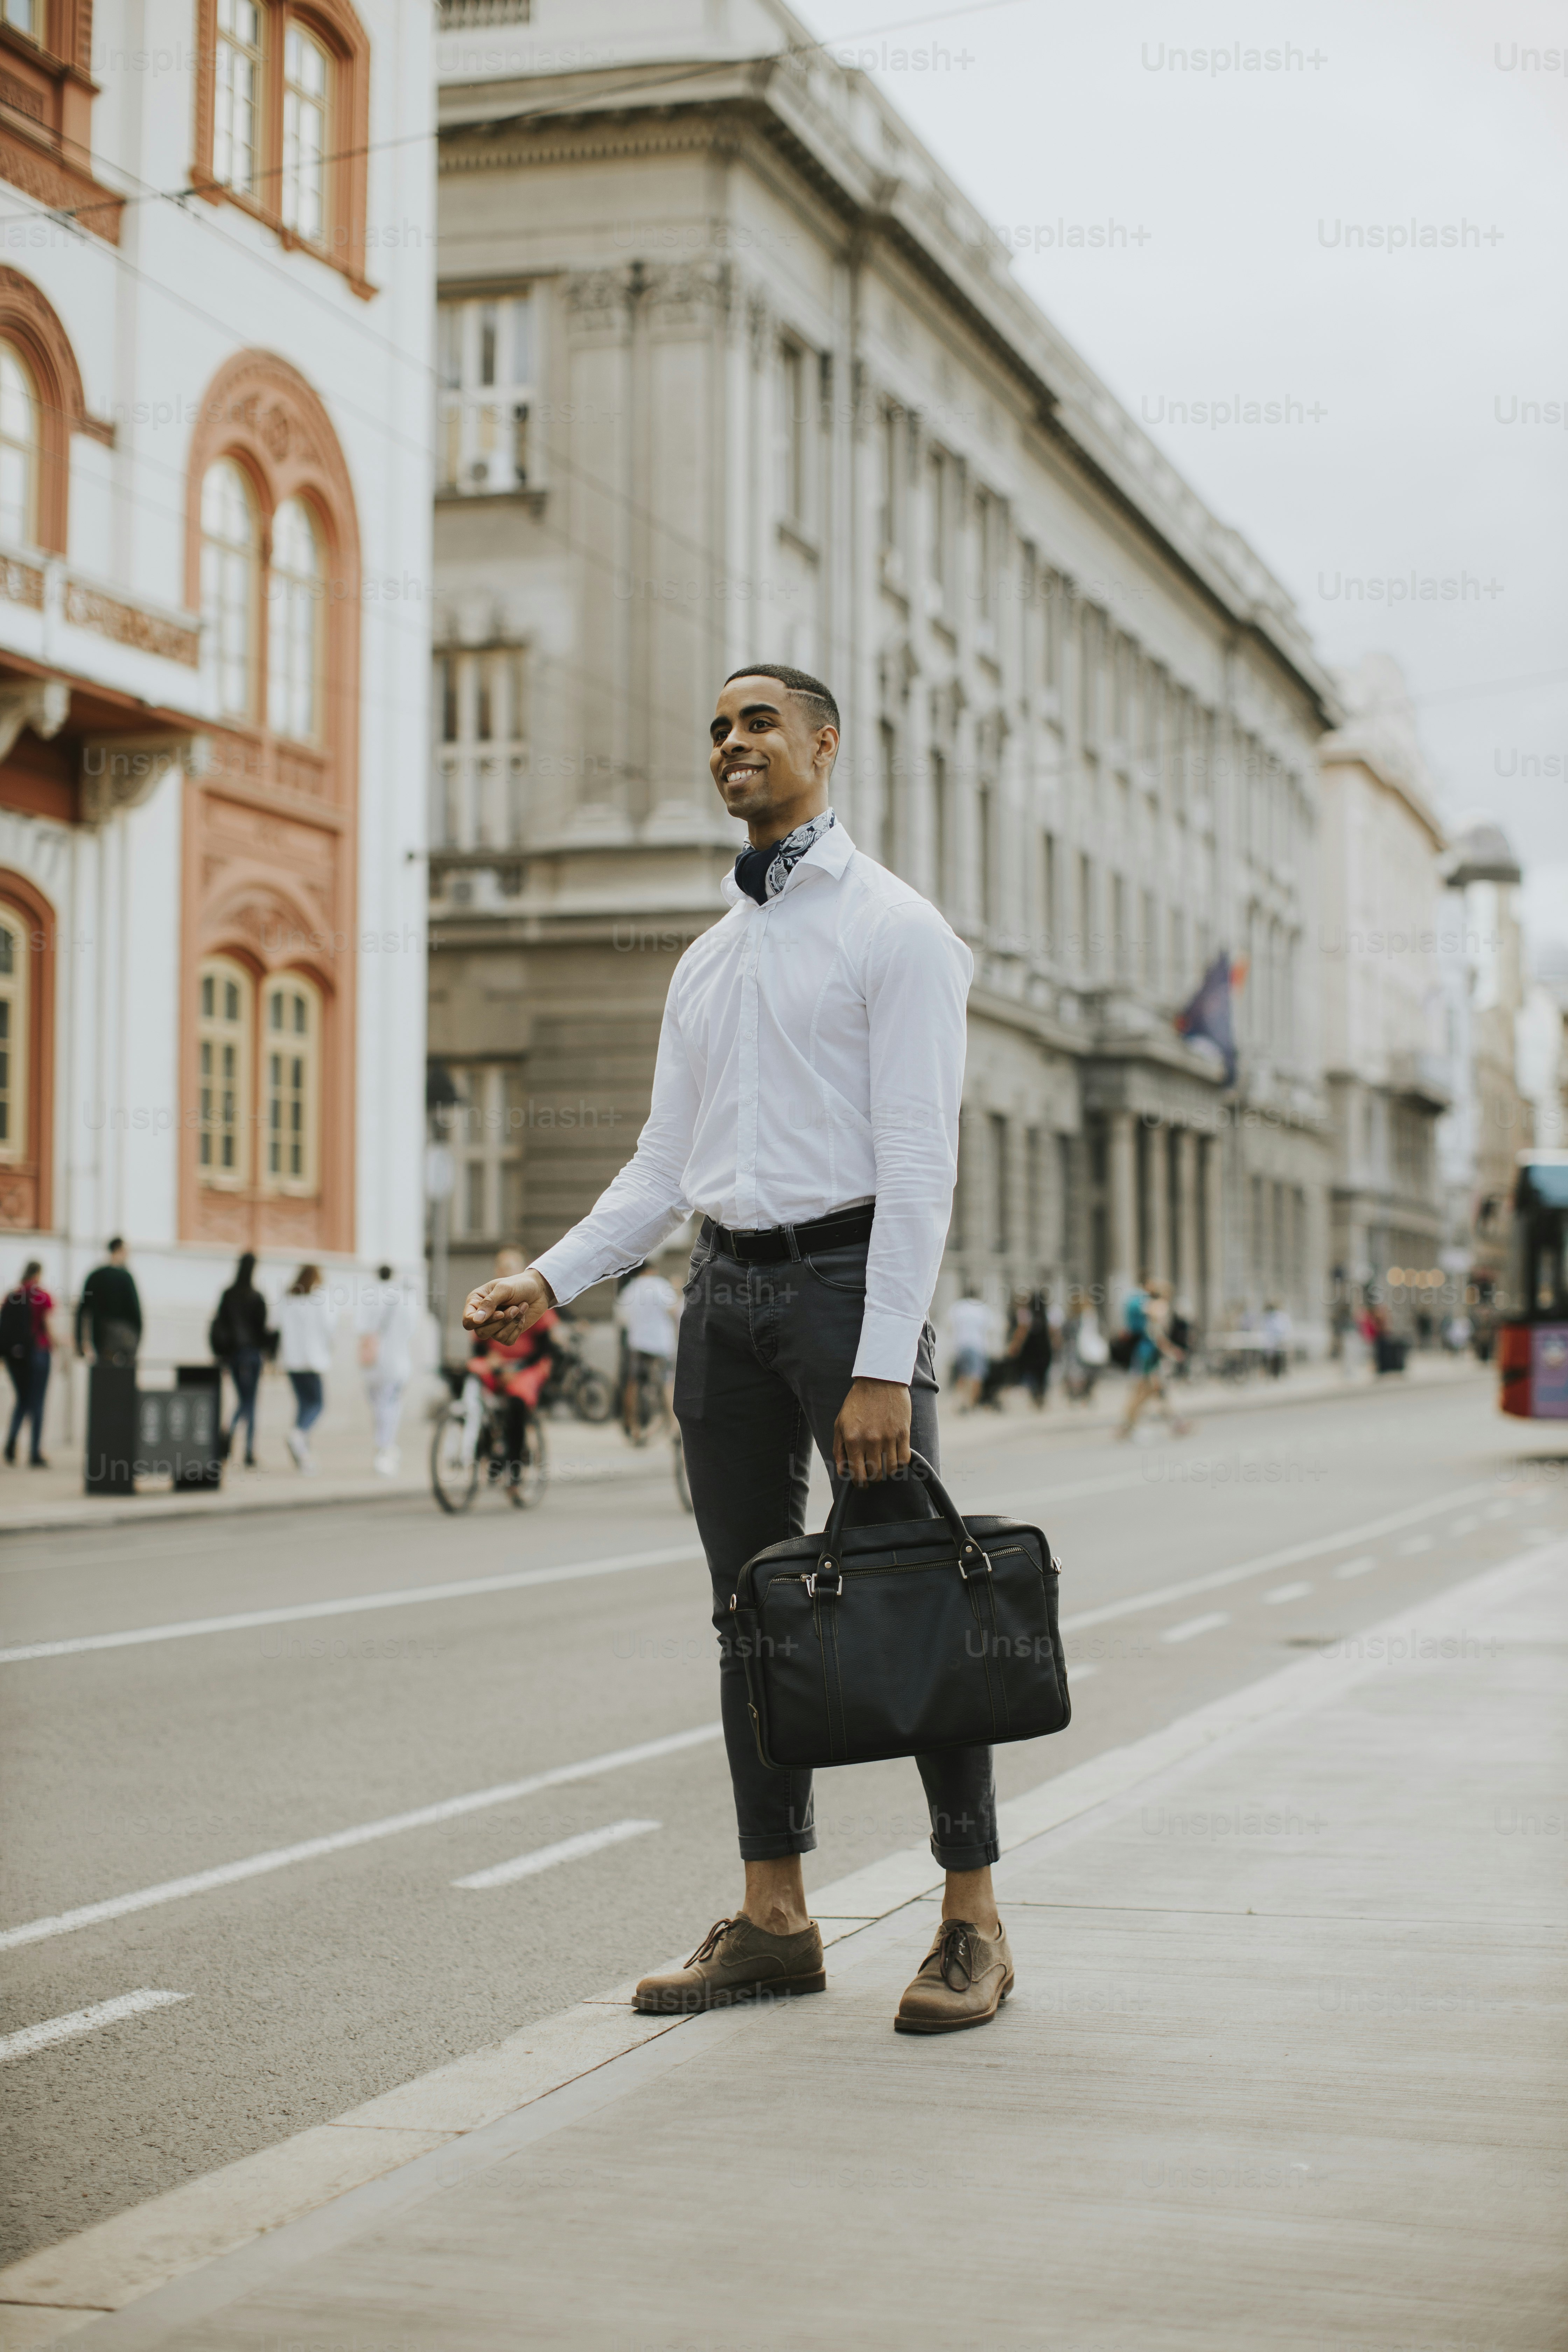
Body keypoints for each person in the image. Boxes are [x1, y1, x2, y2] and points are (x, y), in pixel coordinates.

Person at [463, 663, 1008, 2037]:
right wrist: (551, 1274)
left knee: (908, 1594)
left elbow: (918, 1162)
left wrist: (882, 1356)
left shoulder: (895, 930)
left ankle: (972, 1924)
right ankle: (775, 1919)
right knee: (750, 1615)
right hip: (725, 1298)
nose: (732, 745)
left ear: (825, 744)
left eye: (758, 722)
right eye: (715, 729)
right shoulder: (709, 956)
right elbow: (662, 1166)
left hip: (845, 1287)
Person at [211, 1253, 274, 1469]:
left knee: (244, 1400)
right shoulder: (255, 1297)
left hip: (235, 1355)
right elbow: (263, 1328)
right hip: (251, 1354)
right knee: (250, 1402)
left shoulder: (228, 1295)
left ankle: (232, 1440)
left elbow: (220, 1325)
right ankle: (243, 1447)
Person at [1116, 1274, 1192, 1441]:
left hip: (1148, 1355)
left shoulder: (1143, 1304)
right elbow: (1156, 1335)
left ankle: (1128, 1426)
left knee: (1150, 1391)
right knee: (1145, 1392)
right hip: (1146, 1355)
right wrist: (1172, 1350)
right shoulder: (1146, 1305)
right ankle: (1127, 1426)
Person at [356, 1265, 415, 1476]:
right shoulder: (402, 1297)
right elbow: (411, 1328)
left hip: (373, 1362)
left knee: (378, 1406)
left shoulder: (369, 1296)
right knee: (391, 1406)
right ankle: (385, 1449)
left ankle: (383, 1448)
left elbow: (361, 1329)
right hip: (396, 1362)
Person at [616, 1260, 680, 1441]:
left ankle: (633, 1426)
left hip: (638, 1344)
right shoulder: (661, 1285)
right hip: (662, 1344)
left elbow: (622, 1320)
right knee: (668, 1383)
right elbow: (674, 1310)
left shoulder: (629, 1291)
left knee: (633, 1384)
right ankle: (674, 1426)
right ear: (651, 1270)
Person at [278, 1265, 334, 1472]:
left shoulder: (288, 1298)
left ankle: (303, 1454)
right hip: (312, 1360)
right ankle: (298, 1436)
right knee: (317, 1404)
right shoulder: (320, 1298)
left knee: (303, 1404)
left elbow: (275, 1325)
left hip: (292, 1360)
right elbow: (329, 1327)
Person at [2, 1259, 54, 1467]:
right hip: (39, 1351)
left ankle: (11, 1443)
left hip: (18, 1357)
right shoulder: (42, 1296)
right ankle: (35, 1452)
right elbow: (48, 1325)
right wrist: (59, 1345)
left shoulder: (13, 1296)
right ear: (39, 1274)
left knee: (23, 1400)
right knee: (38, 1402)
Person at [75, 1238, 142, 1367]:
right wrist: (139, 1338)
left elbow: (82, 1310)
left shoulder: (95, 1276)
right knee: (124, 1379)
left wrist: (80, 1341)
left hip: (102, 1336)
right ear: (120, 1251)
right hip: (126, 1337)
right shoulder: (126, 1277)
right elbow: (136, 1311)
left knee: (105, 1378)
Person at [946, 1286, 993, 1411]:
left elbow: (949, 1327)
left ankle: (960, 1402)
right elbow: (989, 1329)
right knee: (976, 1376)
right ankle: (971, 1405)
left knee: (961, 1376)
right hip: (978, 1346)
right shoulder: (982, 1308)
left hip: (961, 1345)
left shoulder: (957, 1307)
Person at [1062, 1288, 1107, 1402]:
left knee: (1081, 1372)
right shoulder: (1080, 1318)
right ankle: (1078, 1393)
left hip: (1085, 1348)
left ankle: (1080, 1393)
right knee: (1078, 1372)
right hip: (1079, 1348)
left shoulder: (1089, 1316)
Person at [1261, 1299, 1292, 1378]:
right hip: (1271, 1342)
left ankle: (1278, 1374)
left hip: (1279, 1341)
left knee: (1279, 1359)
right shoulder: (1268, 1317)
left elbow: (1284, 1328)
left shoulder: (1281, 1316)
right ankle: (1272, 1374)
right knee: (1271, 1359)